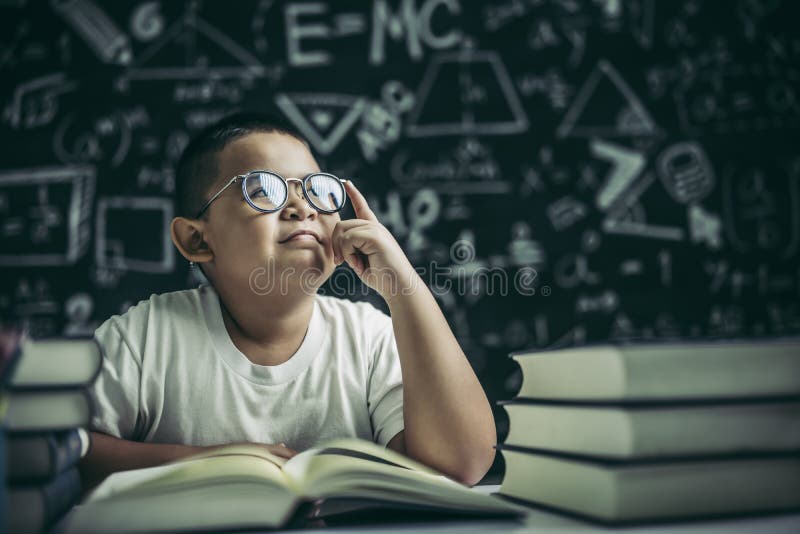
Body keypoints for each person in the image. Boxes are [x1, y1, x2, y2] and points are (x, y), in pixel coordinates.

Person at [79, 111, 496, 490]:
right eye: (263, 189)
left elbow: (461, 464)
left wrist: (402, 285)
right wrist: (211, 465)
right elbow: (55, 451)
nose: (302, 207)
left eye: (317, 190)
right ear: (197, 239)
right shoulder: (148, 336)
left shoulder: (369, 338)